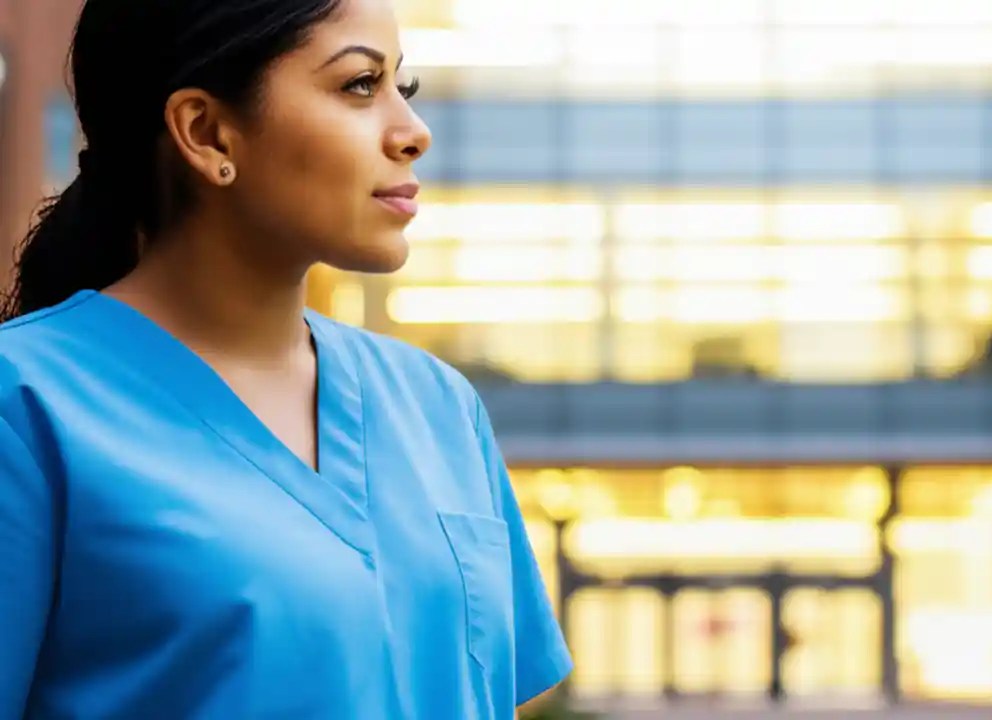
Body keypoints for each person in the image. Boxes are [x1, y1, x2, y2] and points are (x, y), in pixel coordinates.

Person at [0, 0, 572, 718]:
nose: (413, 132)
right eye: (360, 86)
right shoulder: (24, 404)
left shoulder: (437, 404)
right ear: (207, 132)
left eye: (406, 87)